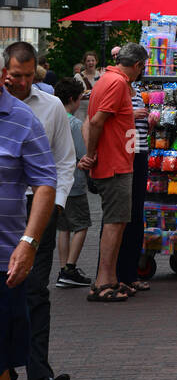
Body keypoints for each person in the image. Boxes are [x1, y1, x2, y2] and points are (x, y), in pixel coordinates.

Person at [3, 42, 77, 380]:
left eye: (30, 76)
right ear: (5, 72)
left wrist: (57, 206)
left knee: (34, 291)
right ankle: (9, 373)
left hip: (40, 211)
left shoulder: (49, 108)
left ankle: (38, 377)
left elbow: (64, 161)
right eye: (17, 75)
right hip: (9, 211)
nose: (23, 82)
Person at [0, 61, 57, 380]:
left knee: (0, 362)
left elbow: (45, 183)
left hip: (4, 262)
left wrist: (29, 242)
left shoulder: (22, 119)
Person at [79, 41, 147, 303]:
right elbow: (96, 121)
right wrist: (92, 154)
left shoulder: (109, 79)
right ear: (138, 65)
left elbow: (94, 119)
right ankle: (103, 281)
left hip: (117, 160)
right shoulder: (117, 83)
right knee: (114, 223)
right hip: (115, 163)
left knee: (117, 222)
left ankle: (109, 278)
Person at [110, 67, 151, 296]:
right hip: (127, 154)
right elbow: (105, 119)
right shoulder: (118, 90)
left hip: (138, 151)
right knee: (124, 216)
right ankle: (118, 274)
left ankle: (130, 273)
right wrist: (132, 116)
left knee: (136, 215)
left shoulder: (134, 92)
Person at [54, 78, 92, 288]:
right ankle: (70, 267)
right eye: (79, 98)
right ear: (72, 99)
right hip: (74, 182)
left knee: (64, 228)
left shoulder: (53, 118)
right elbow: (83, 155)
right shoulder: (75, 124)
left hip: (57, 182)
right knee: (82, 225)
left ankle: (62, 268)